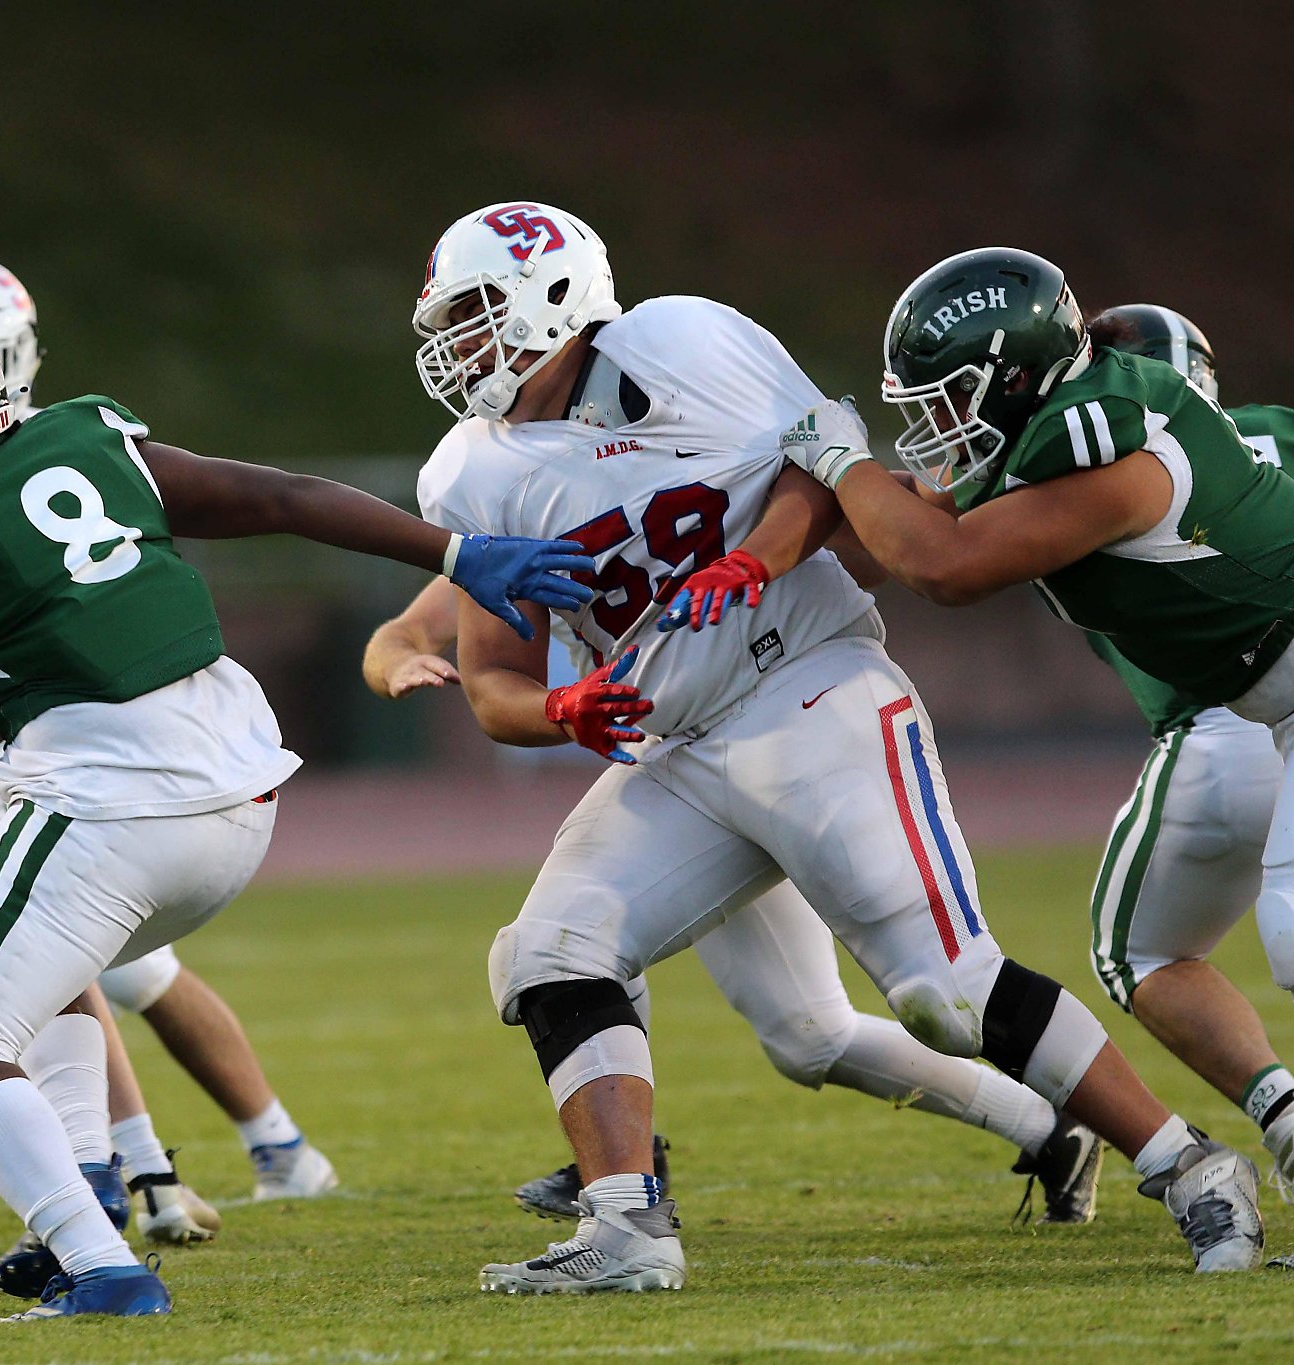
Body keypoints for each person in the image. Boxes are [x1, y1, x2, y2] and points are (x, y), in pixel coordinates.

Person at [410, 206, 1261, 1291]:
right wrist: (563, 709)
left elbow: (820, 460)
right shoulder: (468, 474)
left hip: (802, 682)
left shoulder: (681, 341)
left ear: (553, 295)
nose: (459, 347)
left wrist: (755, 560)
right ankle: (625, 1230)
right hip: (673, 744)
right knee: (549, 953)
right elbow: (492, 682)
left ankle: (1189, 1166)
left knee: (943, 993)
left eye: (477, 315)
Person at [0, 297, 594, 1319]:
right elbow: (277, 494)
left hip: (110, 817)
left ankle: (97, 1264)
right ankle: (93, 1169)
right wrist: (452, 556)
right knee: (41, 985)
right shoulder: (85, 434)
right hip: (241, 799)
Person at [780, 265, 1294, 1196]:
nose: (932, 423)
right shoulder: (1044, 433)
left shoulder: (1106, 440)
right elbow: (894, 536)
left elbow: (944, 565)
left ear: (1013, 377)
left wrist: (838, 460)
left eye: (946, 398)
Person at [366, 578, 1098, 1224]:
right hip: (682, 772)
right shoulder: (530, 501)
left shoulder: (694, 465)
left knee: (582, 938)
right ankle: (1046, 1124)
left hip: (781, 742)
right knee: (809, 1037)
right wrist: (398, 661)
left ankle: (630, 1167)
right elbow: (401, 632)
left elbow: (840, 529)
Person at [0, 251, 338, 1213]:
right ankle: (134, 1168)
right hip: (54, 744)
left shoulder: (57, 446)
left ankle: (212, 1151)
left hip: (90, 761)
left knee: (85, 968)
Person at [1073, 304, 1294, 1191]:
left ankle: (1282, 1110)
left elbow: (951, 562)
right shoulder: (1273, 431)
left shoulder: (1090, 477)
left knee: (1141, 953)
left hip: (1222, 729)